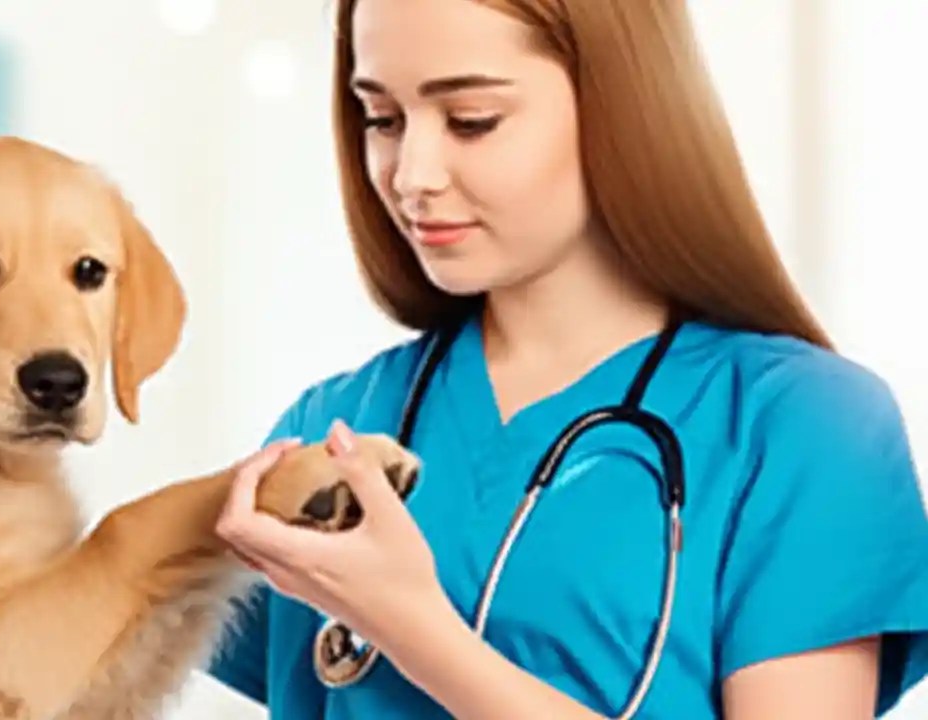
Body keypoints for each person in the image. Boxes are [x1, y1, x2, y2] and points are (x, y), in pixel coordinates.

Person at [206, 0, 928, 718]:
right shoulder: (335, 425)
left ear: (626, 107)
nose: (411, 175)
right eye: (383, 120)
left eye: (471, 120)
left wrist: (415, 630)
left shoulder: (805, 426)